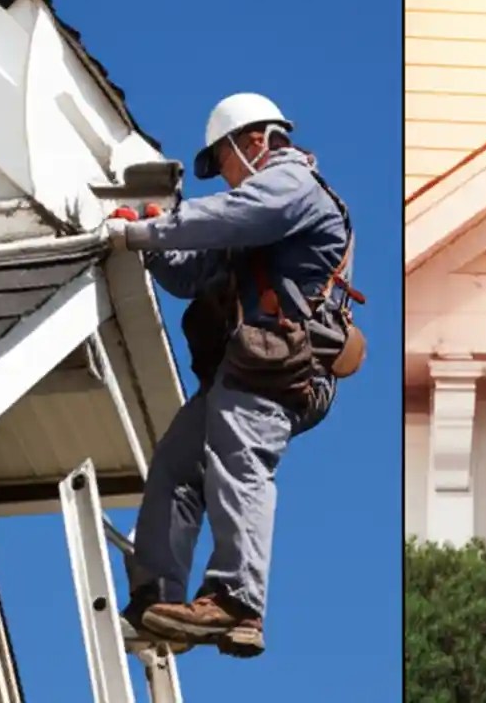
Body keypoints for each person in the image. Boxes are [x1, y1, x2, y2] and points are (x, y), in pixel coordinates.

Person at [104, 92, 366, 658]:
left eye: (220, 161)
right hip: (245, 369)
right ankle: (156, 602)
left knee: (238, 458)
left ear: (252, 142)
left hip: (278, 365)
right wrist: (149, 240)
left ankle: (237, 601)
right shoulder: (250, 216)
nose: (222, 177)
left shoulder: (291, 182)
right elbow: (191, 271)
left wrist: (155, 229)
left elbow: (233, 215)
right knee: (176, 464)